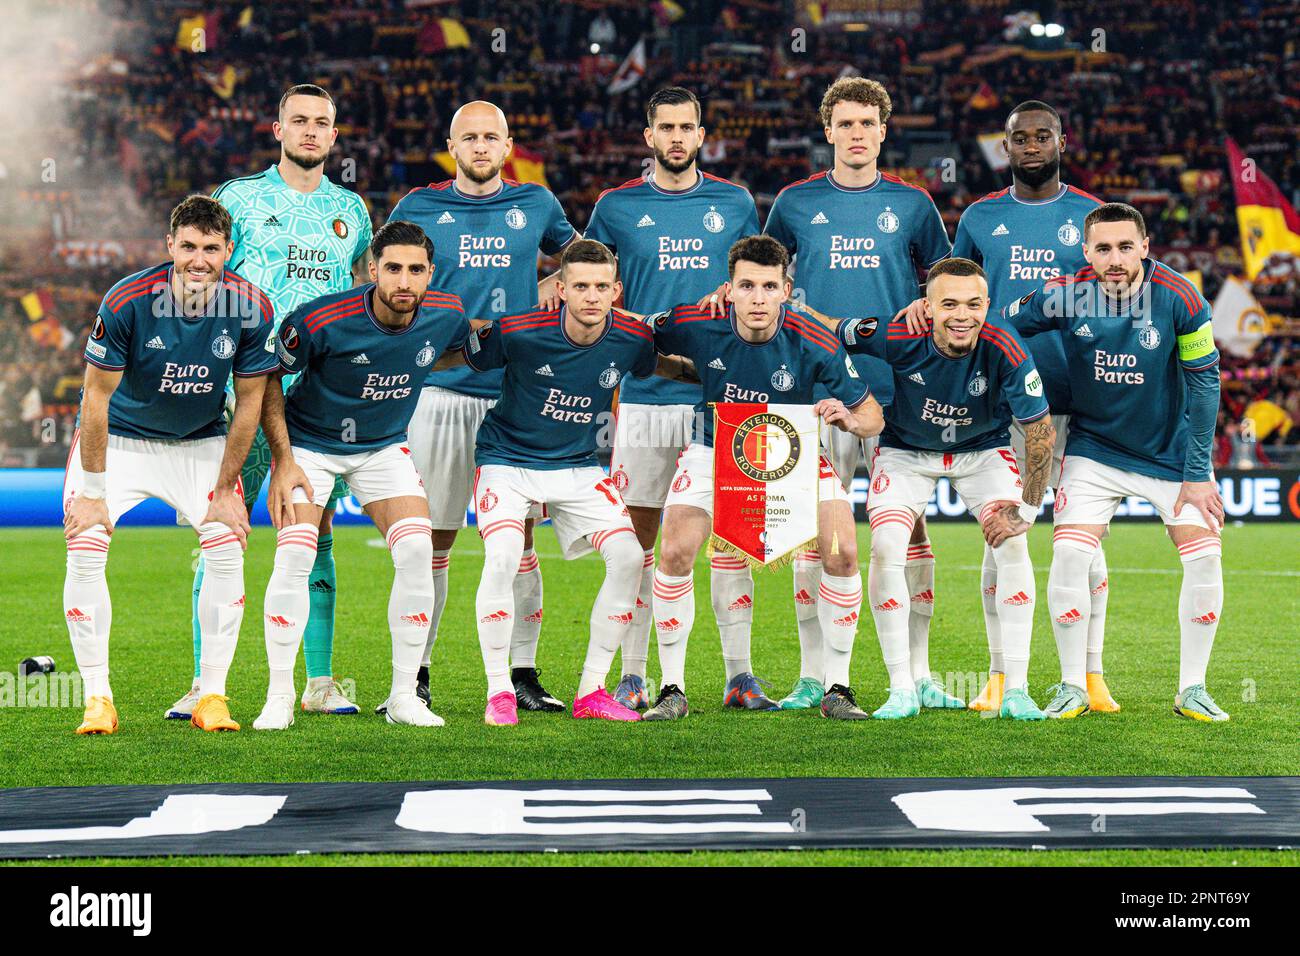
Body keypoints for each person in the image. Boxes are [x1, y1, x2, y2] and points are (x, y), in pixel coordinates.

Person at [898, 100, 1113, 713]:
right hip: (999, 402)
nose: (1031, 146)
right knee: (1002, 536)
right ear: (1007, 147)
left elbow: (1118, 295)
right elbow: (951, 285)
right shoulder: (981, 216)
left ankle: (1090, 676)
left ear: (1062, 141)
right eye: (1020, 138)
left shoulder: (1090, 214)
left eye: (1043, 135)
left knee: (1084, 540)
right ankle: (1000, 675)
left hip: (1080, 398)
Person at [171, 83, 374, 721]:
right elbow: (205, 280)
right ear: (277, 128)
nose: (311, 132)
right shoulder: (238, 198)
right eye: (299, 121)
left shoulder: (353, 209)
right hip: (241, 391)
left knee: (315, 535)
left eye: (322, 123)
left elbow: (363, 291)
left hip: (317, 397)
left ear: (334, 137)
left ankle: (318, 682)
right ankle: (207, 684)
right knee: (220, 527)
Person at [758, 76, 954, 710]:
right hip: (809, 386)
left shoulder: (915, 205)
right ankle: (814, 674)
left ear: (883, 131)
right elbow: (766, 281)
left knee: (912, 525)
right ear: (828, 131)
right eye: (845, 124)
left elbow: (942, 286)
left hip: (895, 386)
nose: (857, 134)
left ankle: (918, 672)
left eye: (867, 124)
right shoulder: (792, 203)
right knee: (812, 532)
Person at [452, 239, 698, 724]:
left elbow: (666, 367)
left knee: (629, 556)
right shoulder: (518, 330)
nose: (591, 296)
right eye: (580, 285)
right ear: (559, 288)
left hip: (579, 465)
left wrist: (722, 375)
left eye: (601, 286)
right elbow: (460, 356)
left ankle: (591, 691)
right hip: (507, 459)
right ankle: (499, 690)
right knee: (503, 556)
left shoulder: (632, 337)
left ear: (616, 291)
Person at [387, 100, 579, 713]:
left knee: (520, 540)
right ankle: (416, 673)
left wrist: (550, 289)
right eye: (467, 137)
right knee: (432, 540)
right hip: (438, 391)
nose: (479, 146)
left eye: (490, 137)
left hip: (513, 394)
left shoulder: (537, 204)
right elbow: (388, 278)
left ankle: (523, 674)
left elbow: (585, 260)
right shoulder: (418, 206)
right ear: (451, 144)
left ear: (507, 144)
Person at [644, 235, 884, 721]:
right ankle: (672, 687)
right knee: (673, 551)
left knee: (843, 550)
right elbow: (631, 334)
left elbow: (872, 417)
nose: (758, 298)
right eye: (746, 285)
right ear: (727, 289)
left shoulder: (815, 339)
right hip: (715, 447)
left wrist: (847, 417)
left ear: (786, 290)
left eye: (769, 286)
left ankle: (838, 687)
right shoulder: (695, 322)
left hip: (789, 448)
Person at [63, 195, 277, 734]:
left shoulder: (252, 307)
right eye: (188, 247)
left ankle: (212, 695)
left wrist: (228, 486)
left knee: (227, 545)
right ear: (170, 247)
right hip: (122, 442)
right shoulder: (127, 300)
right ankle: (97, 698)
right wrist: (92, 490)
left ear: (229, 251)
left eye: (210, 248)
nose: (198, 259)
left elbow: (249, 401)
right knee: (86, 548)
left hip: (199, 441)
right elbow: (95, 399)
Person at [1007, 203, 1228, 721]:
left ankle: (1192, 689)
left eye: (1126, 246)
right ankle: (1071, 686)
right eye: (1103, 248)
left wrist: (1197, 473)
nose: (1115, 258)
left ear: (1146, 247)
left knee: (1204, 557)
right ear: (1086, 252)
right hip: (1095, 448)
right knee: (1068, 556)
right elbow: (1002, 327)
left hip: (1172, 453)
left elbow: (1204, 383)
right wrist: (1030, 391)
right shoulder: (1064, 295)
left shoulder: (1182, 298)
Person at [584, 86, 766, 712]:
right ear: (649, 136)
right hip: (643, 393)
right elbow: (594, 283)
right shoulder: (615, 207)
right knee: (639, 538)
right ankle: (634, 673)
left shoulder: (735, 202)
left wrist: (730, 287)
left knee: (734, 537)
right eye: (666, 127)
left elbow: (759, 276)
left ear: (701, 132)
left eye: (688, 127)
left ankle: (740, 675)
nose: (678, 138)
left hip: (724, 395)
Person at [252, 221, 470, 730]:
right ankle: (280, 695)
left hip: (382, 447)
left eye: (416, 270)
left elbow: (458, 350)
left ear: (430, 273)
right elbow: (266, 380)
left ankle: (403, 697)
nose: (404, 281)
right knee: (295, 553)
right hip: (311, 446)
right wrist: (284, 462)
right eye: (393, 268)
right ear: (373, 270)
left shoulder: (447, 314)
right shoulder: (319, 320)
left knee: (417, 550)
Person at [828, 258, 1055, 719]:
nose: (962, 315)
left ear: (987, 305)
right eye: (948, 303)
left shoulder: (1005, 344)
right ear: (926, 306)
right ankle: (902, 689)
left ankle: (1016, 689)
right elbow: (831, 327)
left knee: (1013, 547)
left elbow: (1041, 431)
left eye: (973, 304)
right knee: (888, 547)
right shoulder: (896, 333)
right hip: (906, 450)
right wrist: (770, 305)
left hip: (982, 451)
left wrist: (1027, 512)